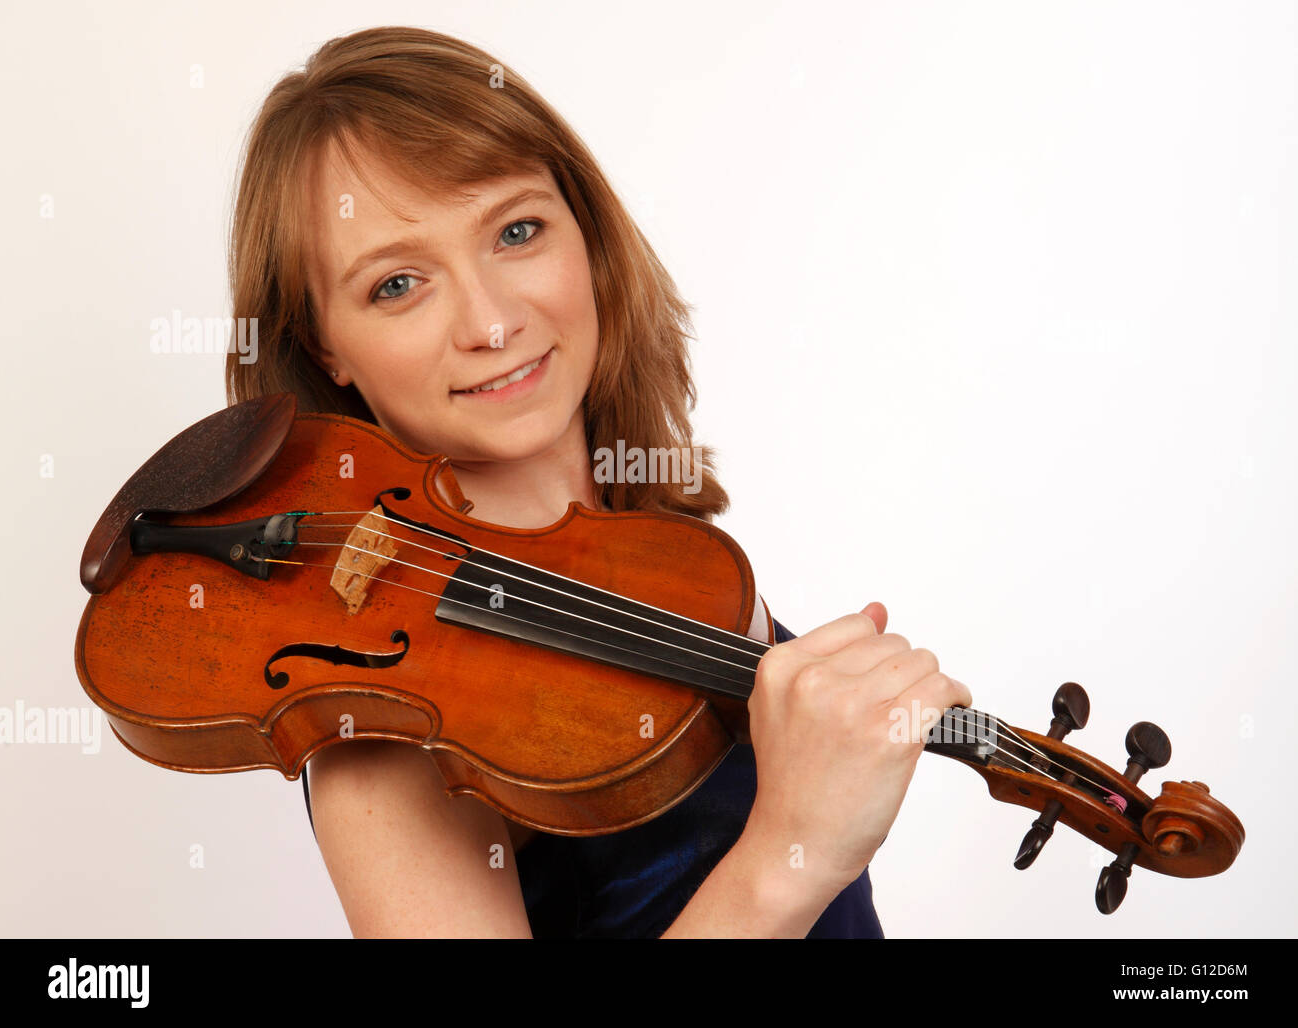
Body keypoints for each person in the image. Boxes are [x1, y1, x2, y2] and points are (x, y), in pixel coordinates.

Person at [224, 26, 971, 938]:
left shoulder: (668, 563)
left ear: (585, 228)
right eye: (397, 285)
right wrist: (793, 851)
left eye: (517, 229)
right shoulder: (384, 716)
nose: (492, 323)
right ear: (321, 346)